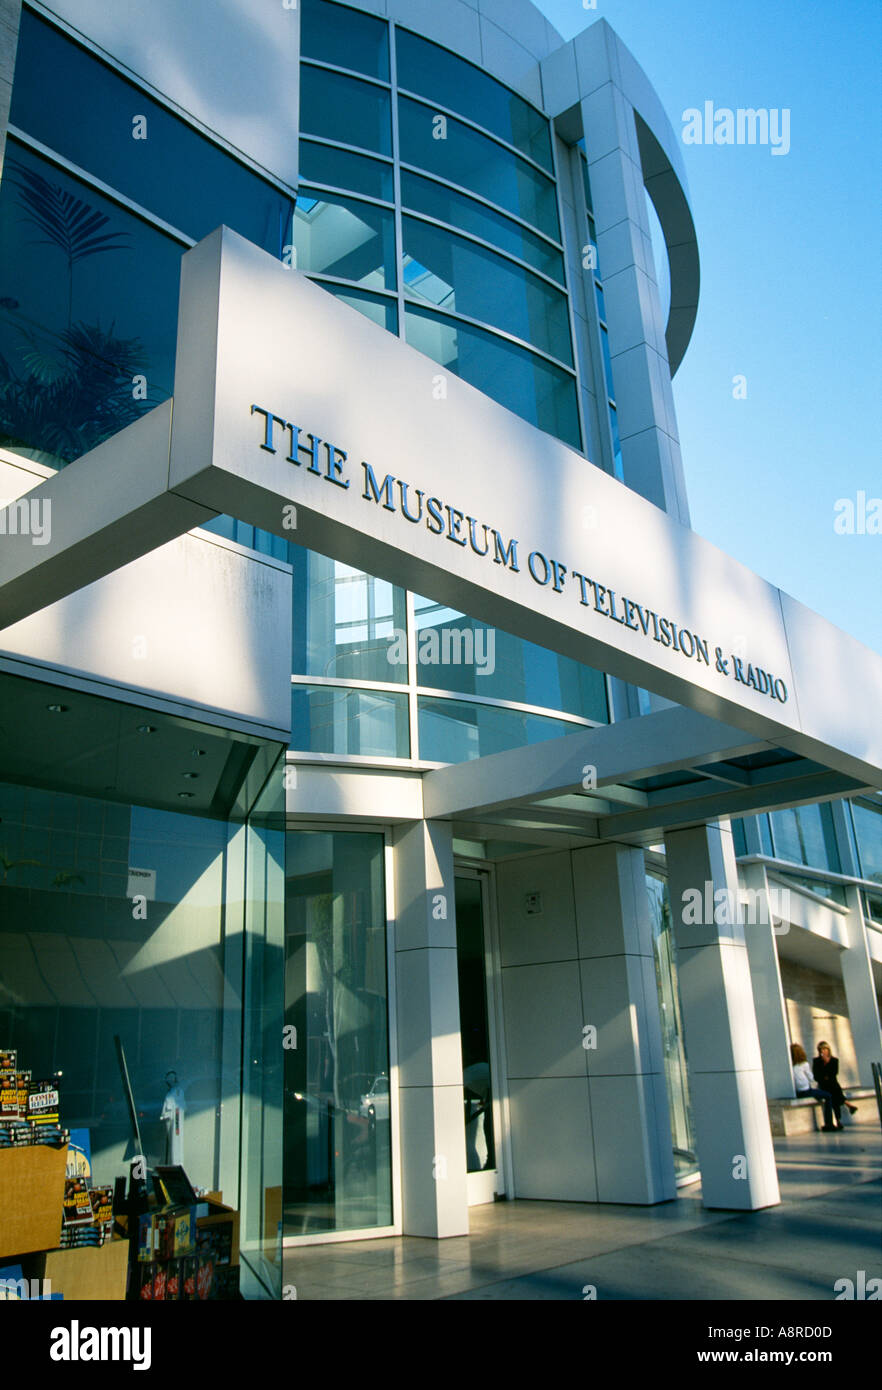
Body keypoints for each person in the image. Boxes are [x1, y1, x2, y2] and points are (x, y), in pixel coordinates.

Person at [790, 1043, 837, 1131]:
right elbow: (811, 1078)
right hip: (805, 1090)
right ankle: (829, 1124)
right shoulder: (804, 1064)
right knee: (828, 1096)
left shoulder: (791, 1066)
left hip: (796, 1092)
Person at [812, 1041, 857, 1128]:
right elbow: (817, 1075)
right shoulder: (817, 1061)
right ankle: (846, 1109)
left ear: (828, 1050)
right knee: (834, 1092)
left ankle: (838, 1120)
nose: (823, 1051)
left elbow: (834, 1073)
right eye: (821, 1050)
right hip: (824, 1085)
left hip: (832, 1084)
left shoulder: (834, 1060)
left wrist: (827, 1065)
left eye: (825, 1049)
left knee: (834, 1098)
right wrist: (825, 1074)